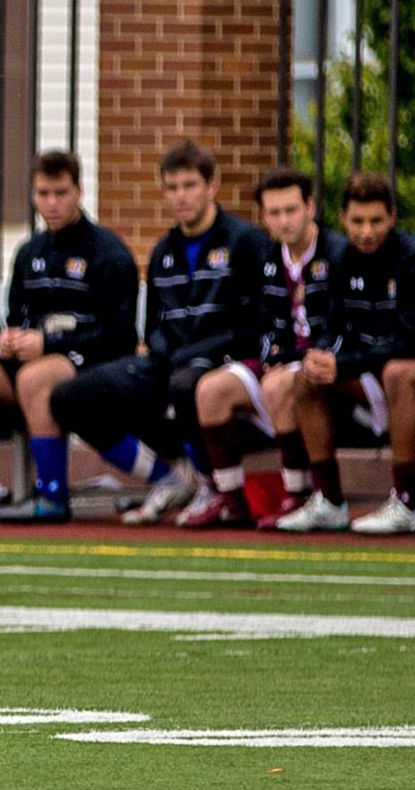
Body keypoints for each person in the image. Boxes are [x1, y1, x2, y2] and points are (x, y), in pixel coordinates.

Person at [45, 141, 270, 524]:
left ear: (211, 186)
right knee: (71, 397)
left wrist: (190, 355)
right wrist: (162, 354)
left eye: (189, 185)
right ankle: (168, 479)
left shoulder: (244, 241)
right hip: (170, 361)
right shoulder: (164, 250)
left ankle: (210, 486)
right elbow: (154, 326)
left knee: (184, 384)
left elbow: (255, 322)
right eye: (172, 187)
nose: (180, 196)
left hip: (222, 363)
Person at [278, 172, 415, 535]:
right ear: (343, 219)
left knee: (398, 372)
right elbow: (334, 328)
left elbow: (414, 342)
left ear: (392, 217)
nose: (367, 231)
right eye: (357, 221)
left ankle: (405, 504)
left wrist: (345, 363)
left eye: (376, 220)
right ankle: (328, 501)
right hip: (380, 367)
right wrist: (321, 356)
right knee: (306, 376)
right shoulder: (341, 259)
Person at [0, 150, 137, 524]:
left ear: (78, 191)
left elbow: (119, 335)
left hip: (92, 363)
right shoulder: (29, 252)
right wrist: (11, 339)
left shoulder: (108, 252)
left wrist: (49, 344)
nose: (52, 203)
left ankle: (52, 496)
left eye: (60, 193)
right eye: (43, 193)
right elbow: (18, 316)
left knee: (35, 378)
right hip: (33, 360)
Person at [177, 166, 347, 529]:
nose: (283, 221)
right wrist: (271, 354)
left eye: (291, 210)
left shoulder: (337, 252)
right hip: (281, 360)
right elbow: (263, 321)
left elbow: (342, 325)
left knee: (277, 384)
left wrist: (295, 359)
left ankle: (298, 494)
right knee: (210, 389)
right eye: (274, 212)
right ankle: (232, 501)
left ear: (310, 207)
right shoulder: (267, 256)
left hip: (326, 364)